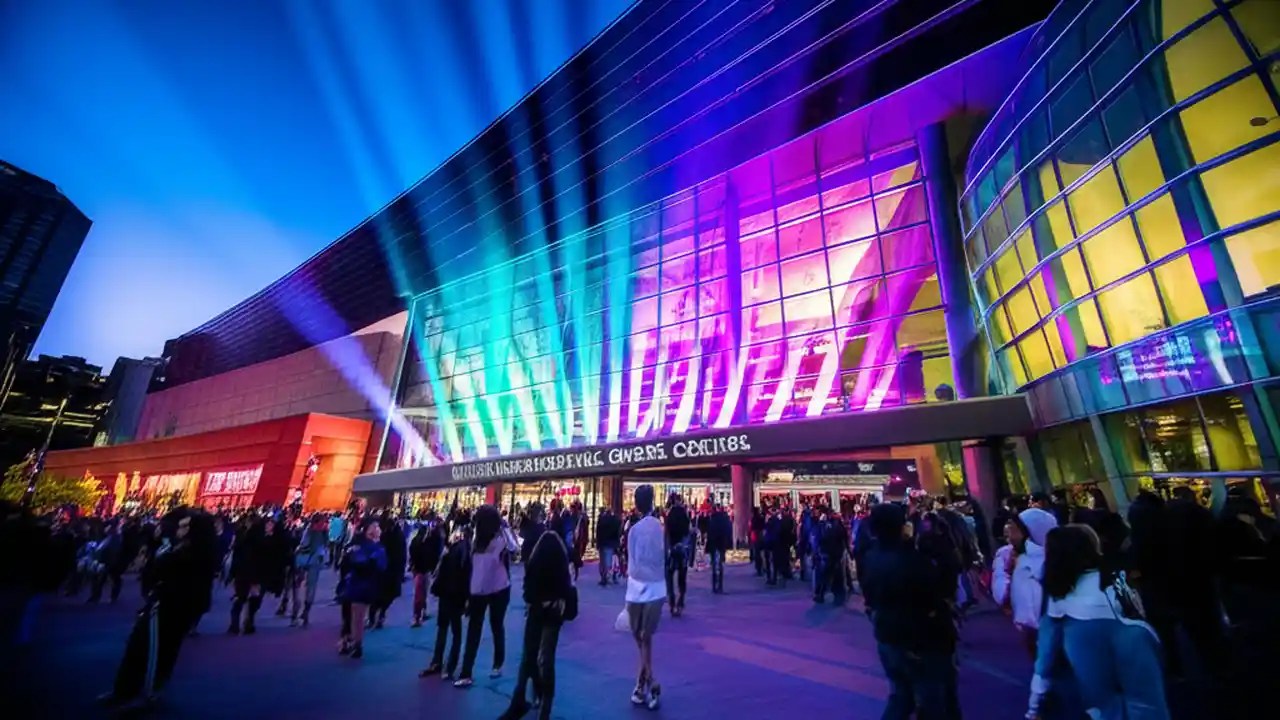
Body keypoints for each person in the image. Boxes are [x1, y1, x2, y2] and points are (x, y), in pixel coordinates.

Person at [1027, 525, 1169, 720]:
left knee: (1104, 706)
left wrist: (1035, 703)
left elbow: (1046, 652)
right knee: (1148, 706)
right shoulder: (1115, 574)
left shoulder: (1058, 592)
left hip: (1085, 642)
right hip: (1137, 636)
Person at [97, 509, 205, 711]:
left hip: (170, 608)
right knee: (137, 645)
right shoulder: (175, 548)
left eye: (185, 527)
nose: (180, 530)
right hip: (157, 603)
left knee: (157, 652)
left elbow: (169, 575)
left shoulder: (193, 554)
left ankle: (148, 693)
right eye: (180, 526)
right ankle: (123, 689)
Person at [860, 503, 959, 720]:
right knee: (932, 698)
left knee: (901, 696)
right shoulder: (910, 559)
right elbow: (935, 593)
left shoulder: (871, 557)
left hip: (887, 634)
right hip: (918, 639)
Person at [498, 529, 575, 720]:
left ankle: (525, 696)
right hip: (552, 614)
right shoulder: (560, 563)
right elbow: (567, 587)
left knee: (529, 656)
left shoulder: (535, 560)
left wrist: (537, 601)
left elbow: (528, 590)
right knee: (546, 658)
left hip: (536, 612)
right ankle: (544, 704)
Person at [456, 505, 518, 687]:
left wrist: (506, 529)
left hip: (492, 588)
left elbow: (514, 549)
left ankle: (491, 665)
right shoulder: (476, 539)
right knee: (483, 628)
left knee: (492, 626)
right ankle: (473, 670)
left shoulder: (498, 540)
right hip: (487, 589)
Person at [992, 509, 1056, 659]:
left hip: (1044, 631)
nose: (1008, 532)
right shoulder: (1016, 558)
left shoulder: (1029, 563)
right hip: (1037, 632)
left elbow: (1002, 595)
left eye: (1013, 527)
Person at [625, 484, 665, 710]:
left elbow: (633, 562)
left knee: (639, 637)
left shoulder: (634, 530)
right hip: (657, 587)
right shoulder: (659, 527)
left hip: (637, 587)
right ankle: (643, 684)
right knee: (645, 637)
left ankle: (649, 681)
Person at [421, 527, 471, 680]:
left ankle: (438, 661)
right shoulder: (465, 552)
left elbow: (441, 573)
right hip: (456, 596)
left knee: (444, 629)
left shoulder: (452, 552)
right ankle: (449, 666)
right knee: (455, 632)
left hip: (447, 595)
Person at [336, 518, 388, 659]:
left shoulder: (379, 547)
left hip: (366, 585)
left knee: (358, 615)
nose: (377, 529)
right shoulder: (359, 545)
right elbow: (351, 561)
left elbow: (381, 566)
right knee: (352, 614)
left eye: (378, 527)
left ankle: (356, 643)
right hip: (354, 583)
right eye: (374, 526)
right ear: (366, 529)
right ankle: (351, 641)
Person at [290, 513, 329, 628]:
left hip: (303, 561)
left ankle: (295, 615)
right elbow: (325, 547)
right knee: (310, 588)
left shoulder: (308, 530)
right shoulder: (324, 533)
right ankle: (305, 613)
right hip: (315, 562)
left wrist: (299, 550)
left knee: (297, 588)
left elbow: (303, 544)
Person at [370, 516, 406, 629]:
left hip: (389, 570)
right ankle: (378, 615)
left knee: (383, 595)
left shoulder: (392, 536)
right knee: (384, 595)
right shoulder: (397, 536)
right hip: (389, 570)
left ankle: (376, 615)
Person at [410, 520, 444, 627]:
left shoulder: (417, 542)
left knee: (421, 593)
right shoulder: (425, 543)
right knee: (421, 593)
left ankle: (420, 614)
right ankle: (418, 615)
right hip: (422, 570)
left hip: (419, 569)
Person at [664, 493, 691, 616]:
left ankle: (672, 601)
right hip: (682, 548)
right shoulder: (684, 514)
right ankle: (681, 600)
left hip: (672, 549)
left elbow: (667, 533)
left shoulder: (669, 515)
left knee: (669, 575)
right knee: (682, 576)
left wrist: (668, 548)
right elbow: (688, 532)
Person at [706, 503, 732, 594]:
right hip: (721, 544)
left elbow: (709, 533)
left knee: (714, 564)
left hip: (713, 544)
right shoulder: (724, 520)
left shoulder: (712, 519)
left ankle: (714, 586)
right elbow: (728, 531)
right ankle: (720, 585)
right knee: (720, 564)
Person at [596, 507, 621, 587]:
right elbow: (618, 532)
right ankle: (608, 576)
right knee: (609, 561)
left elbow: (598, 532)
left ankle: (604, 578)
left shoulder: (602, 520)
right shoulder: (615, 520)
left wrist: (598, 543)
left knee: (603, 561)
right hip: (611, 543)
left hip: (603, 543)